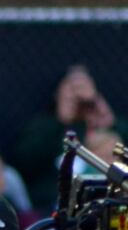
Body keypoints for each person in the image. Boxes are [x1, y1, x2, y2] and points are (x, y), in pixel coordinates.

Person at [13, 65, 128, 209]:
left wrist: (109, 120)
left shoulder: (108, 123)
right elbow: (25, 162)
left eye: (84, 87)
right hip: (53, 206)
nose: (79, 95)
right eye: (72, 88)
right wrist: (61, 121)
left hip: (107, 201)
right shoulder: (44, 126)